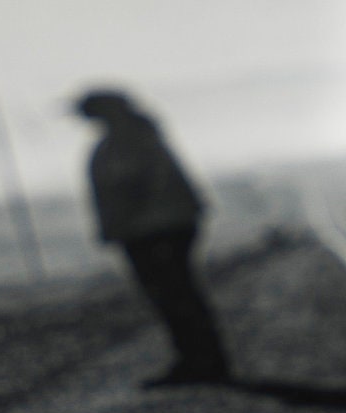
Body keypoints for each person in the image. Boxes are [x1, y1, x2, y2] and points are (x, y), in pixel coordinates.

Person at [72, 88, 234, 387]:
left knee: (175, 295)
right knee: (174, 295)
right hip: (156, 227)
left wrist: (120, 221)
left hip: (156, 229)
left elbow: (134, 186)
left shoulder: (130, 139)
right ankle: (199, 360)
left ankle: (203, 362)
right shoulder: (134, 136)